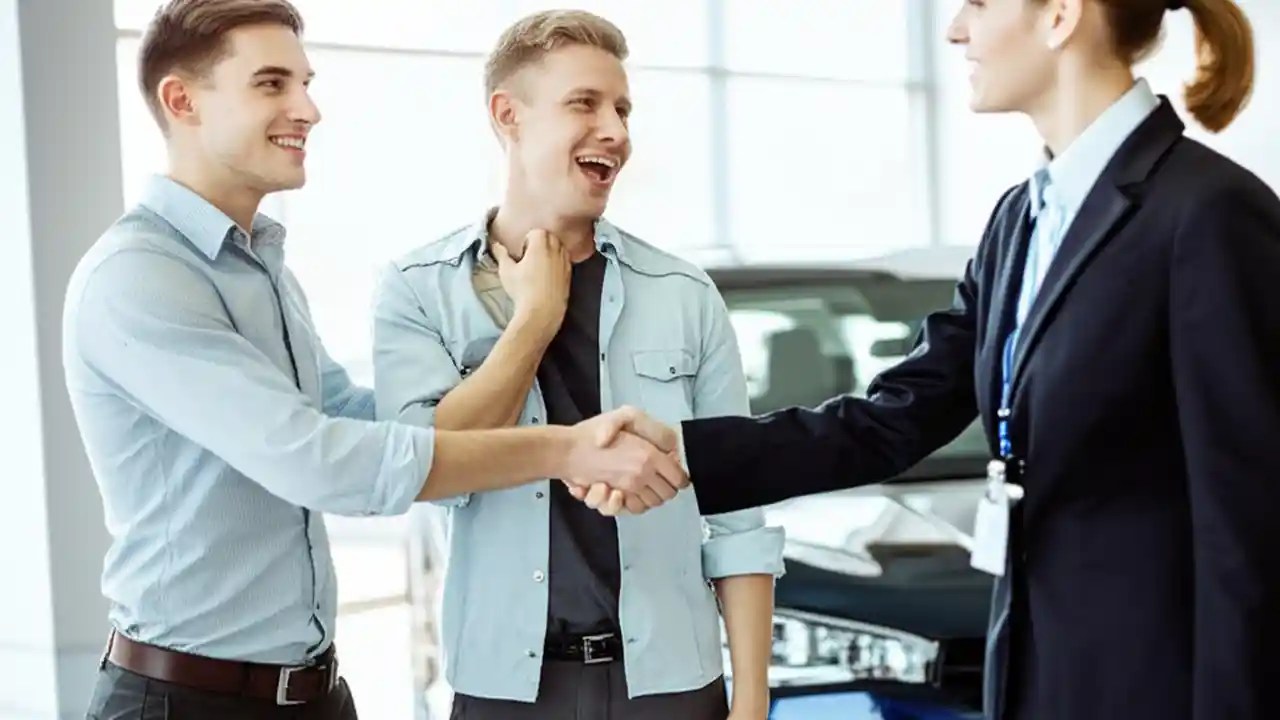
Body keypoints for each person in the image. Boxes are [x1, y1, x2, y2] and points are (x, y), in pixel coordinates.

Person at [585, 1, 1280, 719]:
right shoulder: (1022, 221)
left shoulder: (1210, 215)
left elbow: (1252, 533)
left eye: (978, 3)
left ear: (1060, 16)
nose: (955, 29)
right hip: (1042, 673)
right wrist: (687, 451)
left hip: (1151, 685)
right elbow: (894, 417)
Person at [63, 2, 684, 718]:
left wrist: (526, 334)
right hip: (184, 700)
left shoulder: (259, 268)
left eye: (305, 83)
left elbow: (372, 423)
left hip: (313, 691)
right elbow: (322, 462)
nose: (308, 109)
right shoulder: (138, 277)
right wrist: (566, 447)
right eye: (272, 84)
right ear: (183, 101)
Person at [372, 10, 783, 720]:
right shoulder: (419, 289)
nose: (615, 131)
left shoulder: (683, 294)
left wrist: (751, 700)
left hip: (672, 684)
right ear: (508, 115)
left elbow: (738, 513)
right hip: (507, 689)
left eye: (622, 109)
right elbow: (425, 469)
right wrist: (534, 320)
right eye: (584, 104)